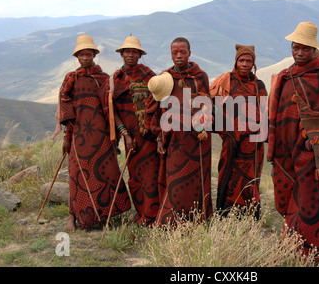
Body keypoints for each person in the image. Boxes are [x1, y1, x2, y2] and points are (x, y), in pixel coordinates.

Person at [267, 22, 319, 266]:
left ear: (314, 50)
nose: (300, 52)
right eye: (296, 47)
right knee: (300, 203)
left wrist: (315, 145)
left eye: (305, 49)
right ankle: (299, 255)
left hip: (318, 158)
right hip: (291, 155)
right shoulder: (287, 75)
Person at [59, 34, 131, 232]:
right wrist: (67, 137)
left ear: (94, 55)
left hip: (100, 135)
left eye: (88, 54)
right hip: (79, 134)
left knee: (103, 172)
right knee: (76, 175)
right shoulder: (71, 79)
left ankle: (102, 215)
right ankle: (72, 217)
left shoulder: (103, 79)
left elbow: (110, 108)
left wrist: (119, 133)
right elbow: (67, 110)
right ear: (77, 57)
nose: (85, 58)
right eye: (81, 55)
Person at [146, 37, 213, 226]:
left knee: (197, 181)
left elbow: (208, 103)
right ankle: (171, 222)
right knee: (175, 180)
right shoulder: (165, 78)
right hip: (174, 139)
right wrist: (160, 136)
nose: (179, 55)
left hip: (198, 138)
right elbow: (156, 108)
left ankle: (198, 221)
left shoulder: (200, 76)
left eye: (183, 52)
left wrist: (203, 119)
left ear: (190, 53)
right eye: (174, 52)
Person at [99, 35, 160, 226]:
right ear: (122, 54)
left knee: (151, 175)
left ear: (140, 55)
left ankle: (152, 216)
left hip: (148, 134)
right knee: (135, 176)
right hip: (130, 136)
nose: (131, 55)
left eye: (135, 52)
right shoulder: (115, 79)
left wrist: (155, 130)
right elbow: (112, 109)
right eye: (128, 52)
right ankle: (141, 214)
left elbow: (159, 102)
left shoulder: (150, 76)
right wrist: (124, 133)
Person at [209, 44, 267, 219]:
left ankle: (249, 217)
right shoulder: (226, 81)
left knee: (251, 180)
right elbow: (213, 108)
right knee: (228, 176)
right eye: (241, 60)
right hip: (231, 142)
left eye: (249, 61)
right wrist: (225, 131)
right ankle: (224, 214)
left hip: (253, 146)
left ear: (253, 63)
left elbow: (264, 113)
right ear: (236, 61)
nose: (245, 64)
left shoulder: (259, 85)